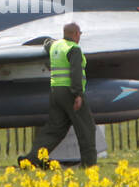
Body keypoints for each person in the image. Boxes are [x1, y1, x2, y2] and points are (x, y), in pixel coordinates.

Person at [18, 22, 98, 169]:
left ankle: (31, 160)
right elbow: (75, 73)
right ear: (75, 34)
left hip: (56, 92)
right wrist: (78, 94)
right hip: (70, 92)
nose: (80, 36)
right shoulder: (73, 49)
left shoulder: (55, 46)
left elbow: (47, 43)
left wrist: (49, 41)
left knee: (54, 130)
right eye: (79, 33)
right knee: (86, 128)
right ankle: (89, 165)